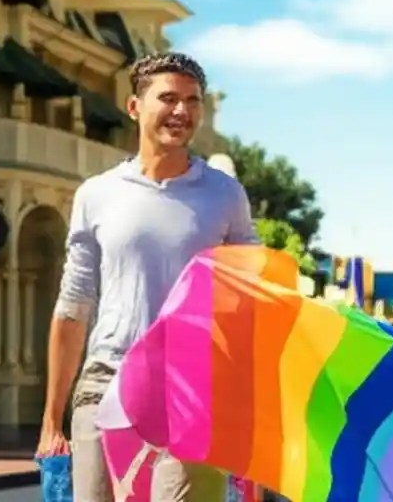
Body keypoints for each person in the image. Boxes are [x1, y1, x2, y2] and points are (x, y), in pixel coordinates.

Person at [37, 53, 260, 502]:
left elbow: (251, 297)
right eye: (169, 98)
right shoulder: (97, 194)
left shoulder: (224, 195)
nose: (183, 111)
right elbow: (74, 305)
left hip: (192, 385)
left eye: (193, 101)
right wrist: (51, 417)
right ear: (135, 106)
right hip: (105, 378)